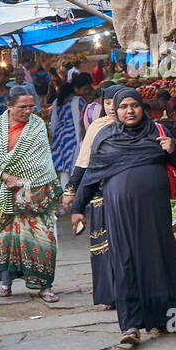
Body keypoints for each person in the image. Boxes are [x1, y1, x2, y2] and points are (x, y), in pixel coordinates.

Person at [69, 88, 176, 345]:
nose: (129, 111)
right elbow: (91, 174)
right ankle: (131, 326)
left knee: (157, 259)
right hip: (120, 213)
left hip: (155, 212)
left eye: (134, 105)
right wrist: (77, 208)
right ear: (115, 109)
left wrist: (172, 149)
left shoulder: (158, 131)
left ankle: (164, 320)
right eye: (123, 106)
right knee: (126, 262)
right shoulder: (105, 136)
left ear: (142, 107)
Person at [0, 84, 64, 302]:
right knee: (9, 238)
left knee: (43, 238)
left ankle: (44, 286)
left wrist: (26, 181)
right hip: (7, 193)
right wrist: (7, 177)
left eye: (31, 107)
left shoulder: (37, 126)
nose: (28, 111)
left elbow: (42, 160)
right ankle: (6, 283)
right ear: (9, 106)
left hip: (37, 192)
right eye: (22, 107)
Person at [65, 85, 125, 310]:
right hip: (101, 194)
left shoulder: (134, 127)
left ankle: (128, 291)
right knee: (103, 245)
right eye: (107, 103)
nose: (111, 108)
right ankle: (109, 295)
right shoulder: (98, 127)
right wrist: (72, 192)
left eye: (115, 103)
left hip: (126, 195)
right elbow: (84, 162)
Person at [49, 76, 91, 187]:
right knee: (75, 166)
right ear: (75, 89)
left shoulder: (57, 102)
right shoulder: (78, 100)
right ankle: (75, 193)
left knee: (63, 168)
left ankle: (66, 193)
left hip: (59, 137)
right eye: (85, 89)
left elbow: (53, 123)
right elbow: (85, 120)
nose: (87, 92)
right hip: (73, 136)